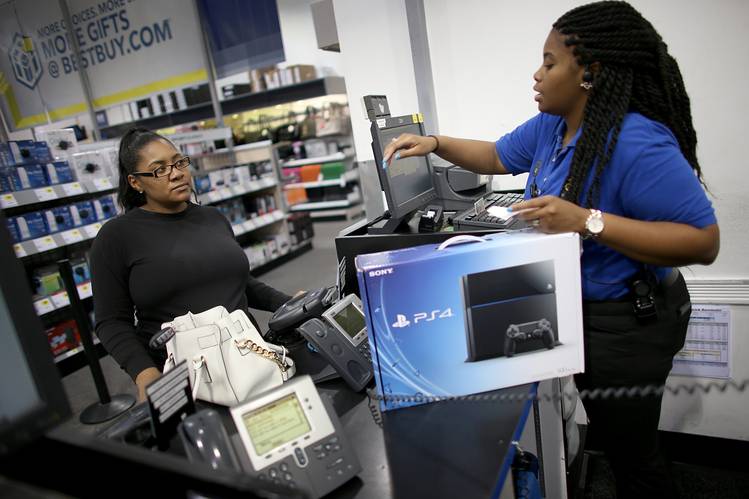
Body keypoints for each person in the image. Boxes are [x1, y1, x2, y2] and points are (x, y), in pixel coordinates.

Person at [382, 2, 719, 497]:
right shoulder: (552, 126)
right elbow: (495, 155)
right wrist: (433, 142)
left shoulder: (635, 141)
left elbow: (703, 241)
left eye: (549, 62)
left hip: (631, 321)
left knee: (632, 453)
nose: (536, 74)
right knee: (616, 438)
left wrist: (587, 221)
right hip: (587, 310)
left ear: (590, 73)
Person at [90, 128, 294, 402]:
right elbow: (111, 321)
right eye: (159, 169)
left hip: (249, 360)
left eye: (178, 162)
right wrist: (144, 373)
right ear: (135, 182)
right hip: (185, 375)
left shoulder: (213, 218)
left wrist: (290, 303)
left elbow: (239, 283)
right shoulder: (116, 236)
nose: (176, 173)